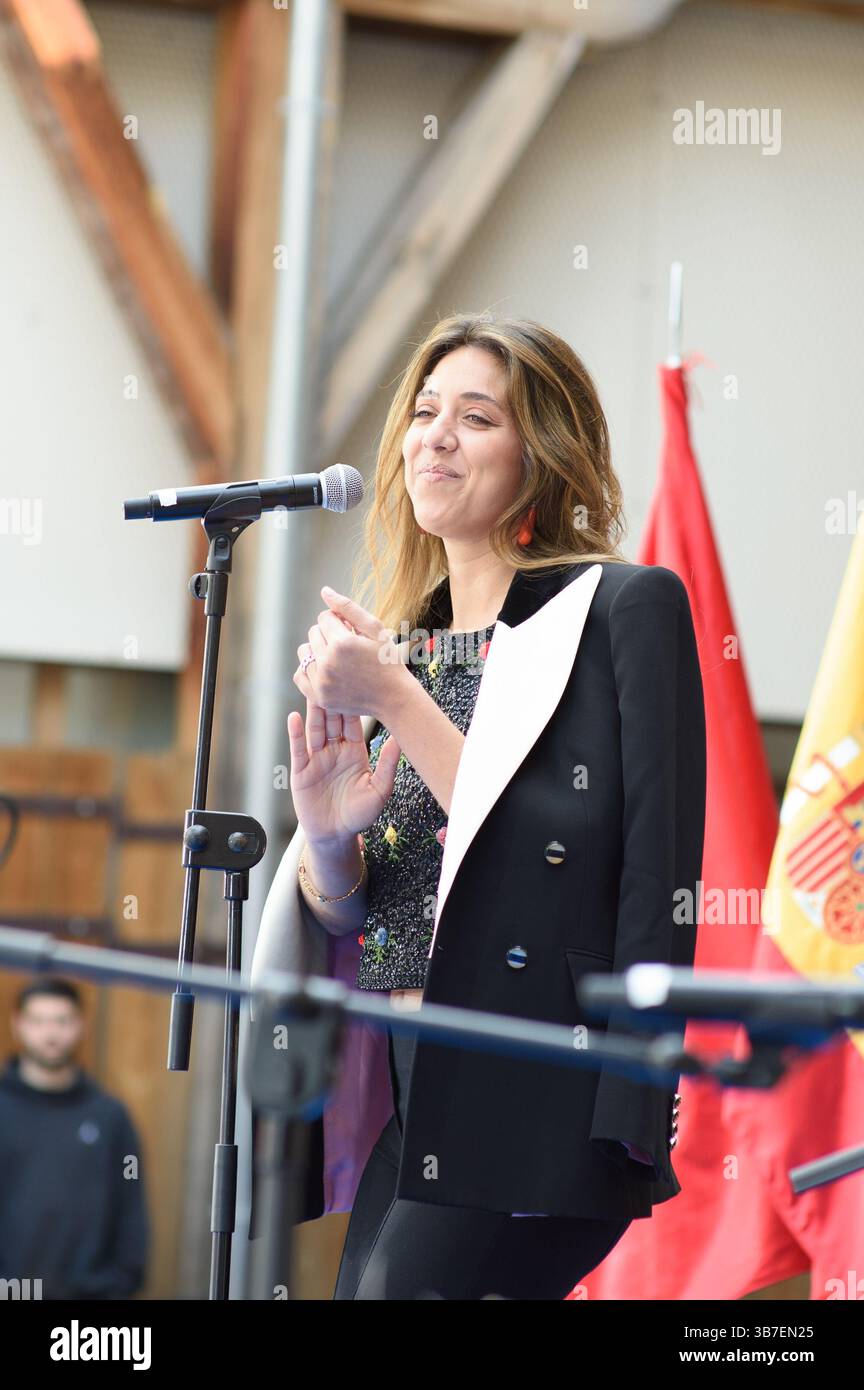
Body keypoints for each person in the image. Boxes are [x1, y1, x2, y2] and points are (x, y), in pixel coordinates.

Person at [249, 312, 706, 1300]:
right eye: (422, 411)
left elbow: (581, 856)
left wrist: (398, 706)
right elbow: (370, 913)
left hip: (539, 1076)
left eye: (476, 416)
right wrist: (329, 844)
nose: (435, 435)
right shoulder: (415, 647)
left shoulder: (621, 608)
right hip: (412, 1084)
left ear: (542, 454)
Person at [0, 977, 149, 1300]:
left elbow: (130, 1209)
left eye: (61, 1021)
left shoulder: (110, 1117)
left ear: (81, 1024)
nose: (50, 1034)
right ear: (18, 1025)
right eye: (38, 1021)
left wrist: (118, 1284)